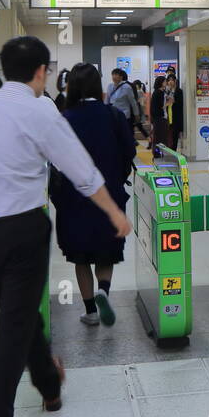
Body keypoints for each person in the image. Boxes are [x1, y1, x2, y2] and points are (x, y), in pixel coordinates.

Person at [0, 36, 131, 417]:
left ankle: (49, 385)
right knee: (12, 331)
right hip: (22, 231)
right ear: (40, 72)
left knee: (19, 318)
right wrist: (114, 214)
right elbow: (81, 171)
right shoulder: (40, 109)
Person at [50, 63, 136, 327]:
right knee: (105, 253)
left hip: (74, 200)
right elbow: (129, 152)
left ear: (71, 87)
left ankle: (90, 312)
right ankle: (104, 291)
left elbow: (55, 161)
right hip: (108, 195)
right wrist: (116, 180)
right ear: (98, 86)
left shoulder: (64, 119)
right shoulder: (113, 116)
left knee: (81, 257)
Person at [152, 74, 184, 150]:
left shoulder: (179, 91)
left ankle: (173, 152)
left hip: (175, 117)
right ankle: (165, 152)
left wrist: (172, 102)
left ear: (175, 81)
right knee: (166, 137)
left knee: (174, 136)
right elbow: (161, 104)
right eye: (168, 80)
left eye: (172, 80)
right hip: (165, 117)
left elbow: (179, 104)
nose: (170, 82)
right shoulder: (165, 91)